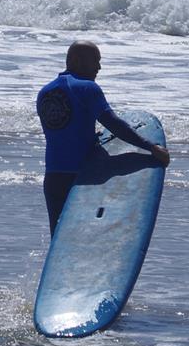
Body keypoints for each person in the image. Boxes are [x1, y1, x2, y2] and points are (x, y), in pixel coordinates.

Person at [36, 41, 171, 233]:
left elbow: (64, 133)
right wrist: (150, 147)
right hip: (86, 175)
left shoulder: (44, 92)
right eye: (95, 61)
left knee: (61, 244)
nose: (99, 67)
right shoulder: (87, 88)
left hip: (54, 179)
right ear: (76, 60)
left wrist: (90, 137)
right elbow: (114, 125)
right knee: (89, 239)